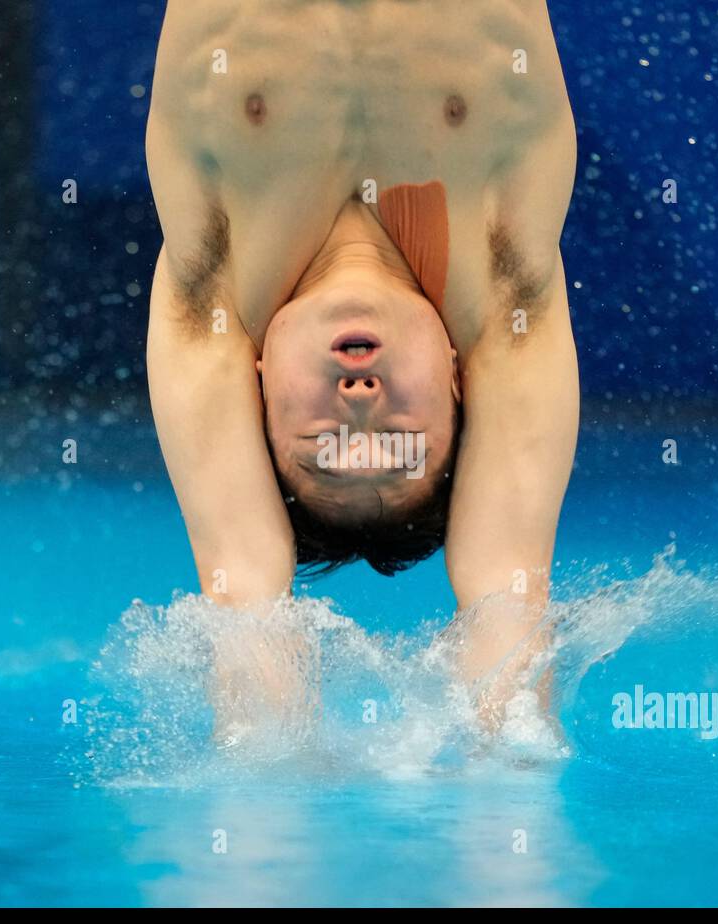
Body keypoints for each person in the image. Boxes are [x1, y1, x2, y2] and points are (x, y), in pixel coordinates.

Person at [144, 0, 579, 729]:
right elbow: (507, 597)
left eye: (325, 447)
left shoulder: (213, 286)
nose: (357, 397)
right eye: (398, 439)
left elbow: (244, 584)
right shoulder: (505, 287)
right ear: (458, 380)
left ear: (253, 396)